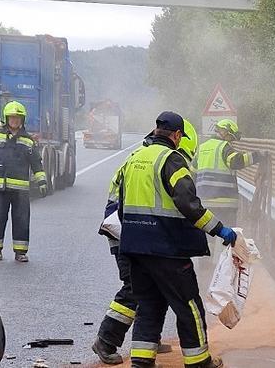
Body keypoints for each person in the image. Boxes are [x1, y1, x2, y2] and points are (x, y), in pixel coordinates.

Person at [118, 111, 236, 368]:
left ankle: (141, 361)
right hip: (166, 249)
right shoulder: (172, 160)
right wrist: (219, 229)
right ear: (177, 135)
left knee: (149, 304)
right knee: (189, 305)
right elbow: (188, 204)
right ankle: (199, 361)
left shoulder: (135, 157)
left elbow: (121, 204)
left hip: (135, 248)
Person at [91, 118, 197, 365]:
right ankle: (106, 340)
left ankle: (149, 339)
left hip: (131, 230)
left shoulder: (144, 155)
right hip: (128, 231)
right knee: (134, 288)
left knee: (151, 287)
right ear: (178, 140)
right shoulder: (156, 159)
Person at [0, 100, 47, 263]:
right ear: (6, 118)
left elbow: (36, 163)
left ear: (22, 120)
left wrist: (42, 182)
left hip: (21, 191)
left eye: (18, 118)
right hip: (0, 188)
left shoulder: (28, 140)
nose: (15, 121)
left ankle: (20, 252)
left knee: (21, 219)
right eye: (12, 117)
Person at [194, 119, 254, 231]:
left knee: (208, 237)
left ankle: (210, 249)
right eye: (231, 138)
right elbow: (237, 161)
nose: (231, 142)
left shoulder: (202, 147)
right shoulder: (224, 147)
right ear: (225, 132)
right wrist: (257, 156)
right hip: (225, 204)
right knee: (227, 238)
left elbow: (192, 173)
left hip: (204, 204)